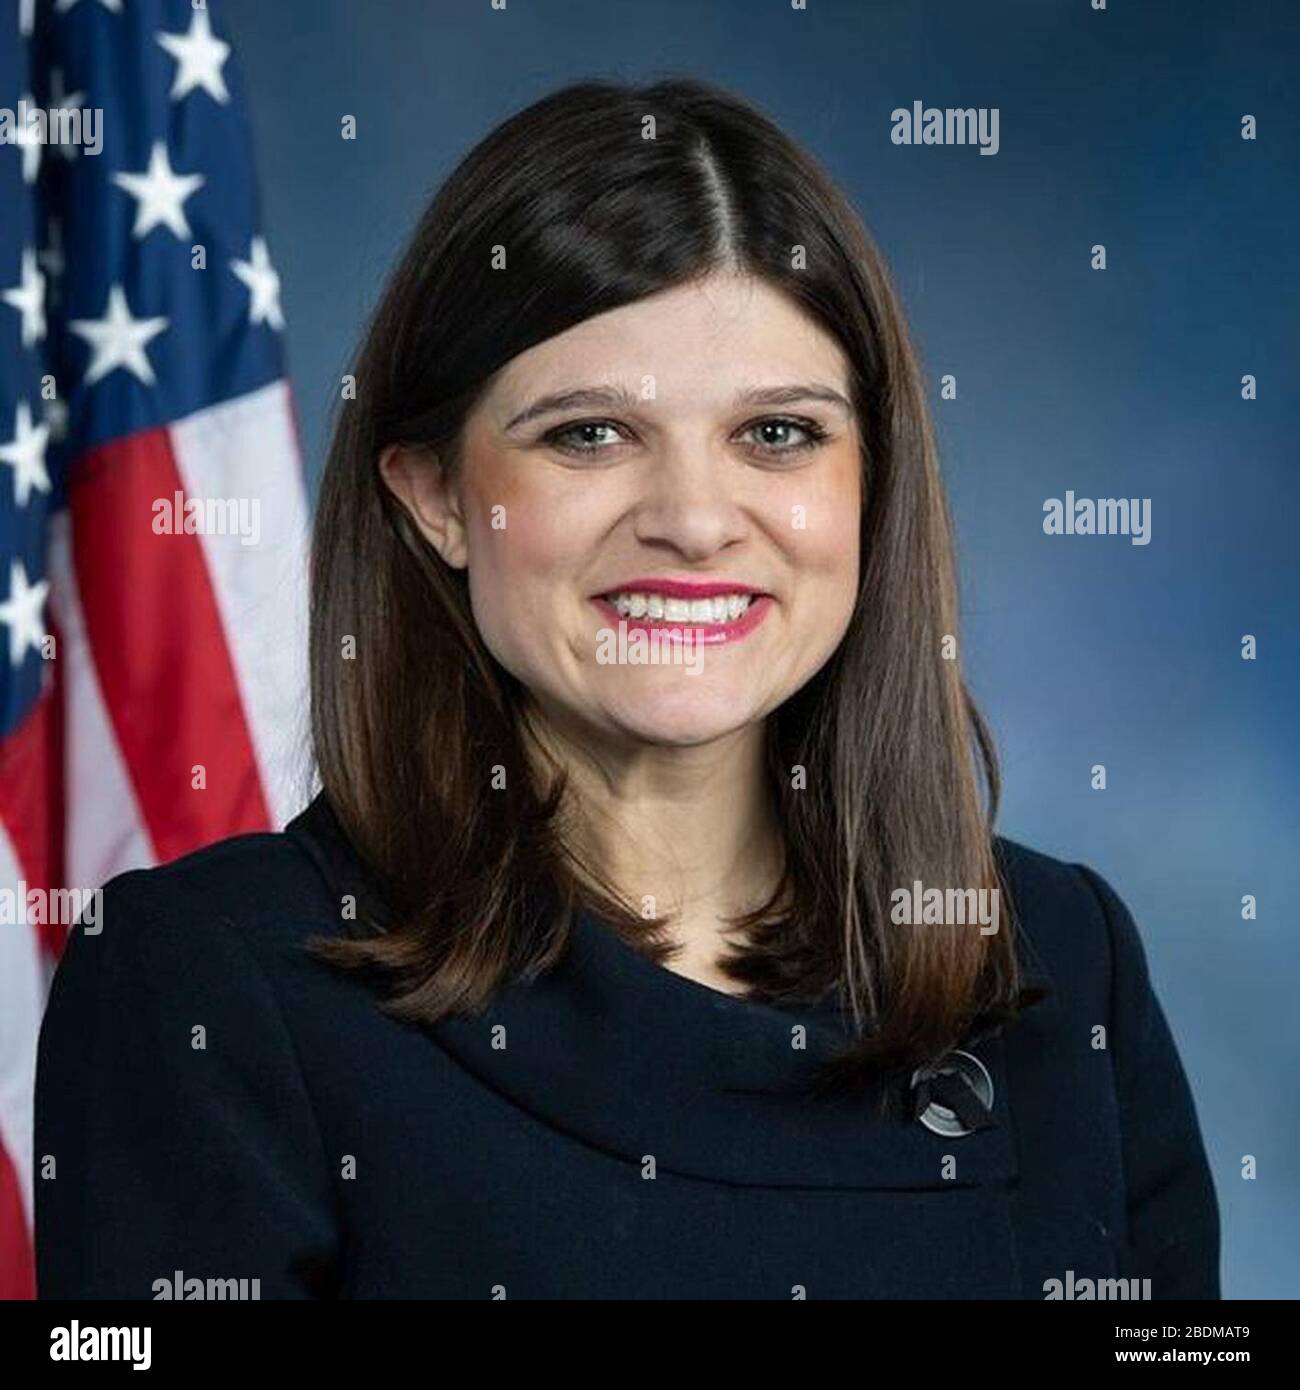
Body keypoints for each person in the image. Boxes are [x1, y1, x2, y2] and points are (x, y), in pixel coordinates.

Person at [35, 78, 1219, 1300]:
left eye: (777, 434)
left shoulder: (1056, 955)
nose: (695, 523)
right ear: (434, 495)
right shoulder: (209, 983)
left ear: (872, 484)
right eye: (588, 434)